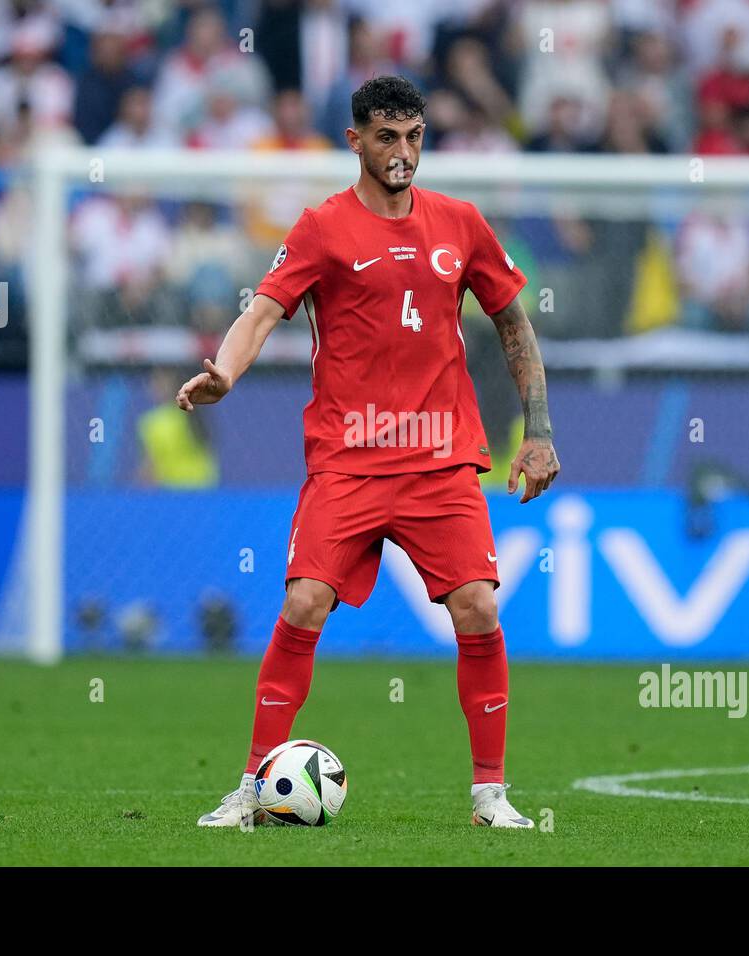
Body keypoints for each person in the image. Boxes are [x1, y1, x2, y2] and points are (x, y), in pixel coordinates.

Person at [177, 75, 560, 829]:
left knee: (480, 607)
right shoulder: (323, 228)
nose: (404, 151)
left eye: (415, 135)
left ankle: (491, 796)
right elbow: (260, 313)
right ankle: (251, 788)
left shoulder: (461, 224)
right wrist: (225, 369)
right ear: (355, 141)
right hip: (347, 459)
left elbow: (515, 327)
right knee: (304, 601)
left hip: (440, 455)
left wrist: (540, 431)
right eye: (388, 136)